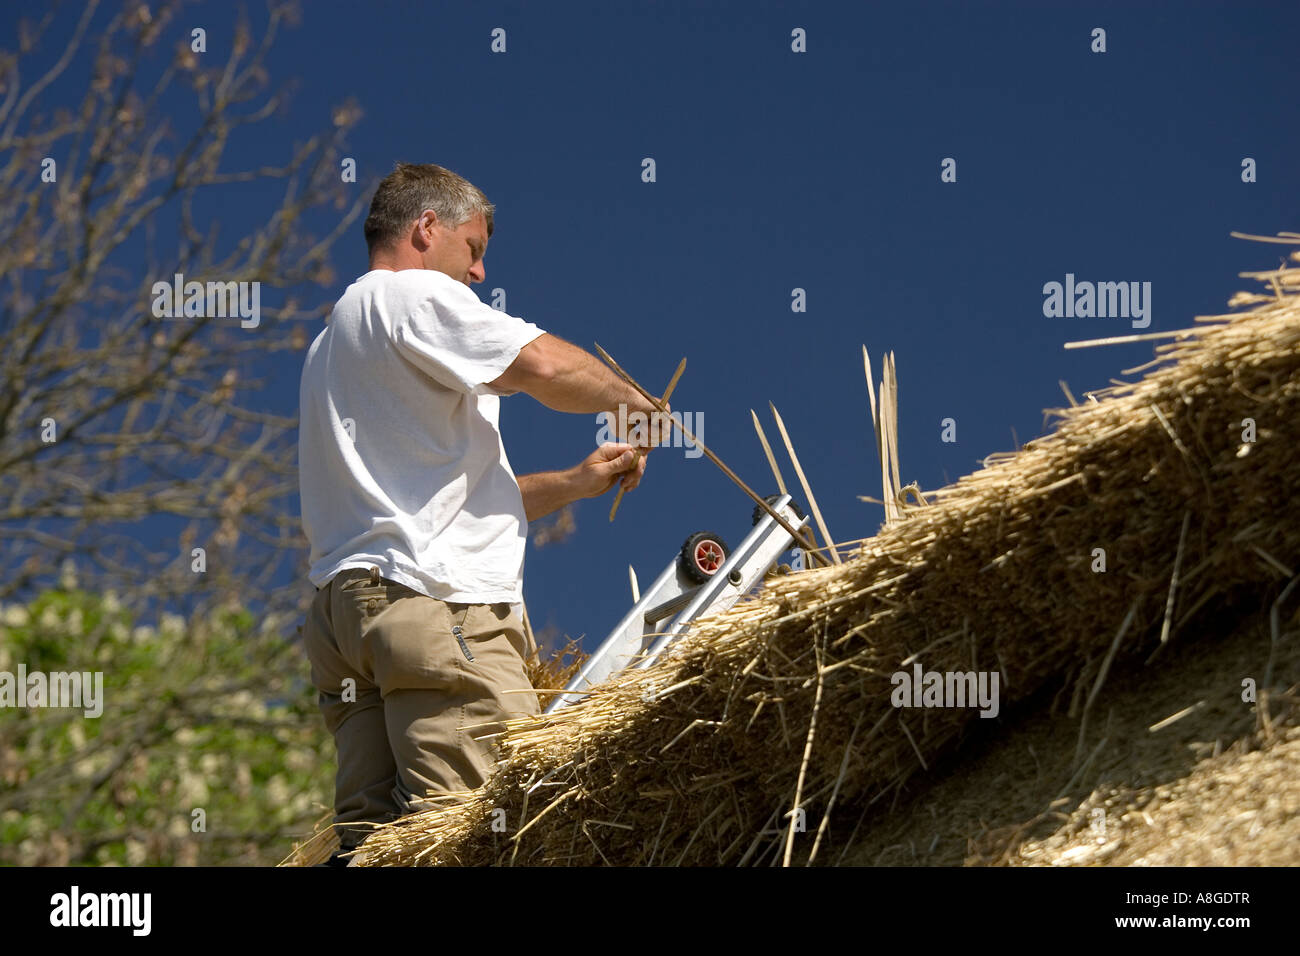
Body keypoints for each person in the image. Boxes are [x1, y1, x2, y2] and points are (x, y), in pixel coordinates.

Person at [297, 162, 666, 864]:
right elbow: (543, 367)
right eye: (473, 247)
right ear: (426, 228)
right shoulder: (409, 298)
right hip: (434, 611)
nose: (478, 270)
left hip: (351, 623)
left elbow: (437, 506)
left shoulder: (331, 349)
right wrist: (633, 402)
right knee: (497, 833)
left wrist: (575, 481)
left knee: (378, 847)